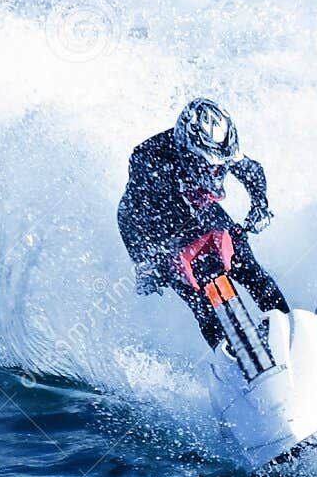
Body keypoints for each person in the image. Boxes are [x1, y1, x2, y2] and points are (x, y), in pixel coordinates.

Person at [117, 98, 289, 349]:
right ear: (187, 148)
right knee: (201, 301)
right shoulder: (149, 161)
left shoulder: (222, 145)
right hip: (156, 228)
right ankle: (231, 362)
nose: (214, 170)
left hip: (201, 210)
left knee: (250, 269)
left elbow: (252, 170)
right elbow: (129, 216)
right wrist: (145, 263)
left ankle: (290, 333)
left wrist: (260, 206)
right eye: (207, 162)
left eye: (220, 164)